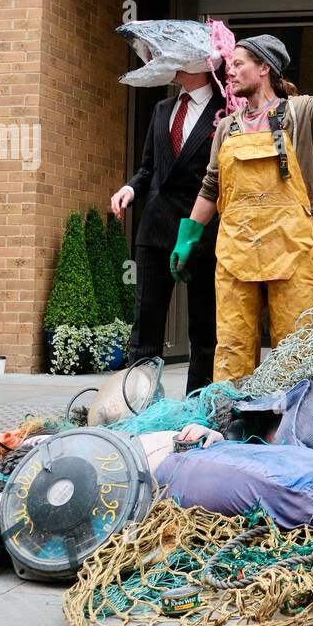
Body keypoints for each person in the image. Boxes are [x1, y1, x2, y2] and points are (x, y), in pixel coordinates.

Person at [173, 16, 313, 381]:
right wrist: (188, 235)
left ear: (264, 69)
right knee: (232, 345)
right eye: (229, 66)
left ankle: (290, 420)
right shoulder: (227, 127)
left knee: (296, 345)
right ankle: (231, 420)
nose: (230, 72)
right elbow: (212, 186)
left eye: (238, 64)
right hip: (236, 249)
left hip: (290, 248)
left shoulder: (300, 112)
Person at [111, 48, 230, 395]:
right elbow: (148, 168)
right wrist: (130, 189)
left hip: (202, 234)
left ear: (202, 66)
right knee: (145, 325)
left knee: (204, 330)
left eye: (180, 59)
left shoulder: (224, 114)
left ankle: (197, 408)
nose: (172, 64)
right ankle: (136, 402)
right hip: (155, 229)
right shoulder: (162, 109)